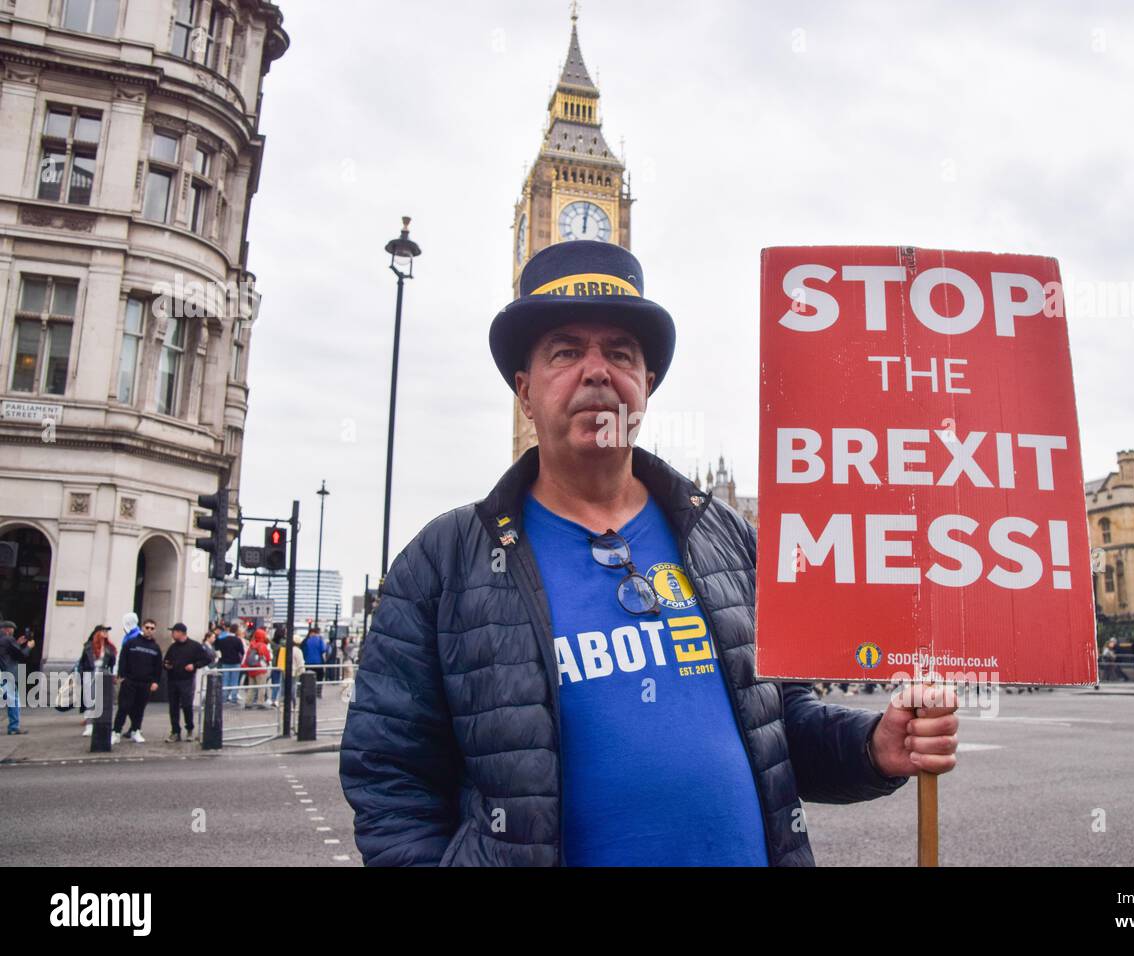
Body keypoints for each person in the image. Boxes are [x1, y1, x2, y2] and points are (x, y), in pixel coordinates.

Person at [339, 240, 960, 866]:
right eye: (565, 351)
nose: (596, 370)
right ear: (524, 393)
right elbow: (391, 776)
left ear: (647, 385)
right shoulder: (442, 564)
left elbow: (781, 724)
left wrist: (872, 746)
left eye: (620, 353)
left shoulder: (729, 540)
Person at [112, 618, 162, 743]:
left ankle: (136, 730)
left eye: (152, 628)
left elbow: (157, 667)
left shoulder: (155, 648)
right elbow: (123, 659)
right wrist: (121, 675)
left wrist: (156, 681)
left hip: (145, 683)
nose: (149, 630)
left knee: (139, 709)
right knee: (124, 707)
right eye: (147, 627)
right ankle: (116, 732)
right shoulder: (131, 643)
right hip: (130, 681)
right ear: (142, 628)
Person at [163, 623, 212, 741]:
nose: (172, 634)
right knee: (173, 707)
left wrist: (194, 665)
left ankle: (189, 729)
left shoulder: (194, 646)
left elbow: (207, 659)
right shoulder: (172, 647)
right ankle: (175, 731)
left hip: (187, 680)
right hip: (173, 679)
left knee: (186, 705)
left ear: (181, 632)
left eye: (174, 631)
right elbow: (166, 661)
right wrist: (166, 666)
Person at [76, 625, 117, 735]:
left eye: (107, 632)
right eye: (104, 631)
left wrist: (113, 675)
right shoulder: (89, 646)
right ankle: (89, 725)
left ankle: (105, 724)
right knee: (90, 701)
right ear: (98, 633)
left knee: (107, 700)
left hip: (104, 673)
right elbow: (82, 662)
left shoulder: (109, 647)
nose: (106, 633)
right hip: (90, 673)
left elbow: (112, 663)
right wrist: (80, 675)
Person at [0, 619, 35, 735]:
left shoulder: (4, 640)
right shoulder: (8, 639)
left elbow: (6, 651)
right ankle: (14, 727)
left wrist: (17, 643)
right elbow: (21, 655)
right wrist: (29, 646)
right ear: (8, 630)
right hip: (7, 673)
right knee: (13, 700)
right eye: (12, 630)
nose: (13, 632)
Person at [213, 624, 245, 703]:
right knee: (234, 681)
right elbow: (242, 651)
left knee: (225, 680)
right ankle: (233, 698)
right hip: (235, 662)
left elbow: (216, 647)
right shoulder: (238, 640)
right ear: (236, 631)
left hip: (225, 662)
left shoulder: (224, 640)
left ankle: (224, 698)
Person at [242, 628, 272, 707]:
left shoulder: (252, 645)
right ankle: (260, 702)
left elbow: (247, 656)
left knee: (251, 687)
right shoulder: (263, 646)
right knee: (261, 687)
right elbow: (268, 658)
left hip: (251, 669)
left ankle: (248, 702)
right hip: (260, 669)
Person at [302, 626, 326, 699]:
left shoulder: (306, 640)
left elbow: (303, 650)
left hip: (308, 663)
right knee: (319, 678)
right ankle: (318, 693)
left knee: (308, 679)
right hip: (318, 663)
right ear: (317, 633)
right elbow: (323, 649)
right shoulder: (319, 640)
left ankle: (309, 693)